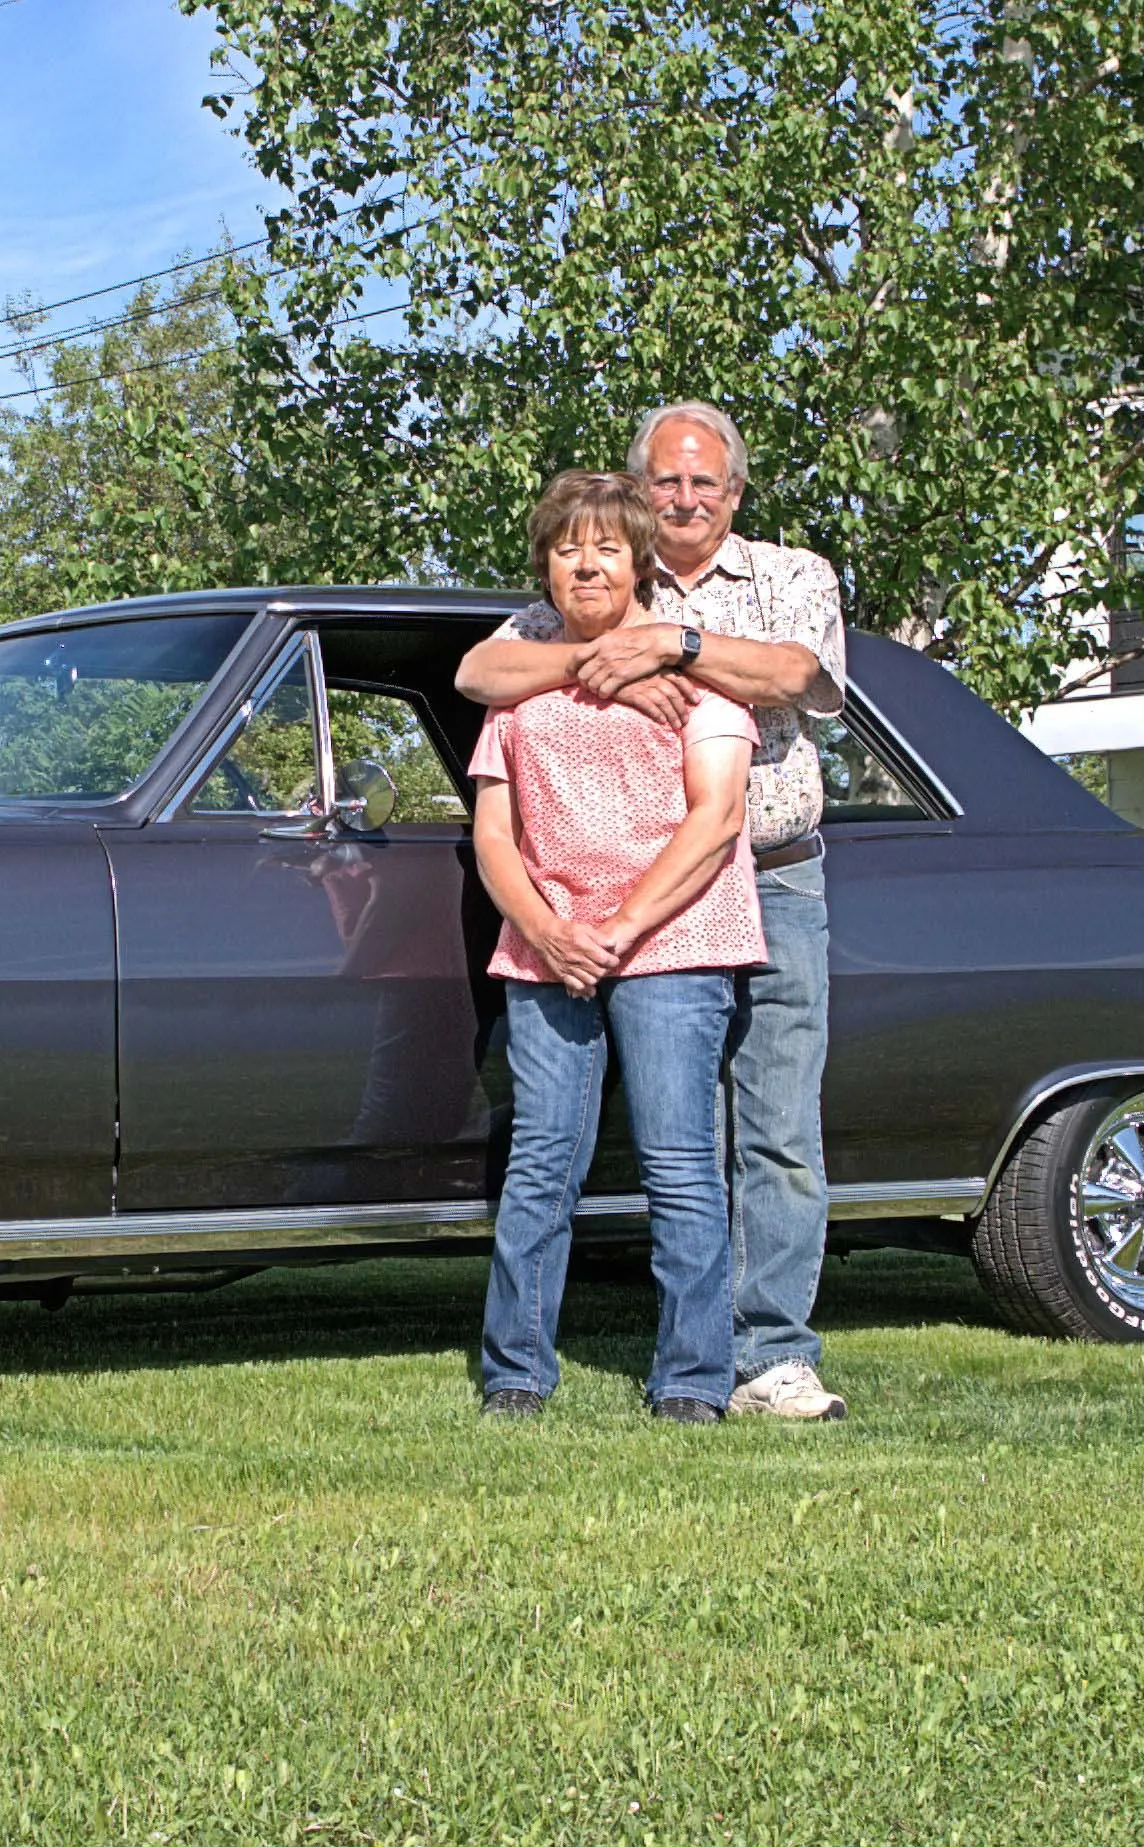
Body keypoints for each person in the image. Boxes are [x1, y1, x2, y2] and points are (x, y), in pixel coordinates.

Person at [457, 403, 848, 1421]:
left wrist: (668, 647)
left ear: (734, 490)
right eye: (665, 483)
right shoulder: (565, 613)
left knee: (769, 1131)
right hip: (584, 918)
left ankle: (766, 1358)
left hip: (754, 877)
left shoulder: (786, 578)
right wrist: (608, 668)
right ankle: (544, 1368)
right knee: (622, 1147)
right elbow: (477, 673)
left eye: (703, 482)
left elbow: (796, 679)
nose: (684, 498)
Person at [470, 470, 763, 1424]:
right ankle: (514, 1371)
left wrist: (622, 928)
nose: (585, 564)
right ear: (545, 568)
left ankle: (691, 1378)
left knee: (679, 1166)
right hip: (548, 947)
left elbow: (717, 819)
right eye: (565, 547)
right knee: (542, 1162)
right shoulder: (518, 676)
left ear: (639, 560)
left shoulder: (698, 673)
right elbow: (492, 834)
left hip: (674, 940)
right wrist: (551, 931)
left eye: (604, 547)